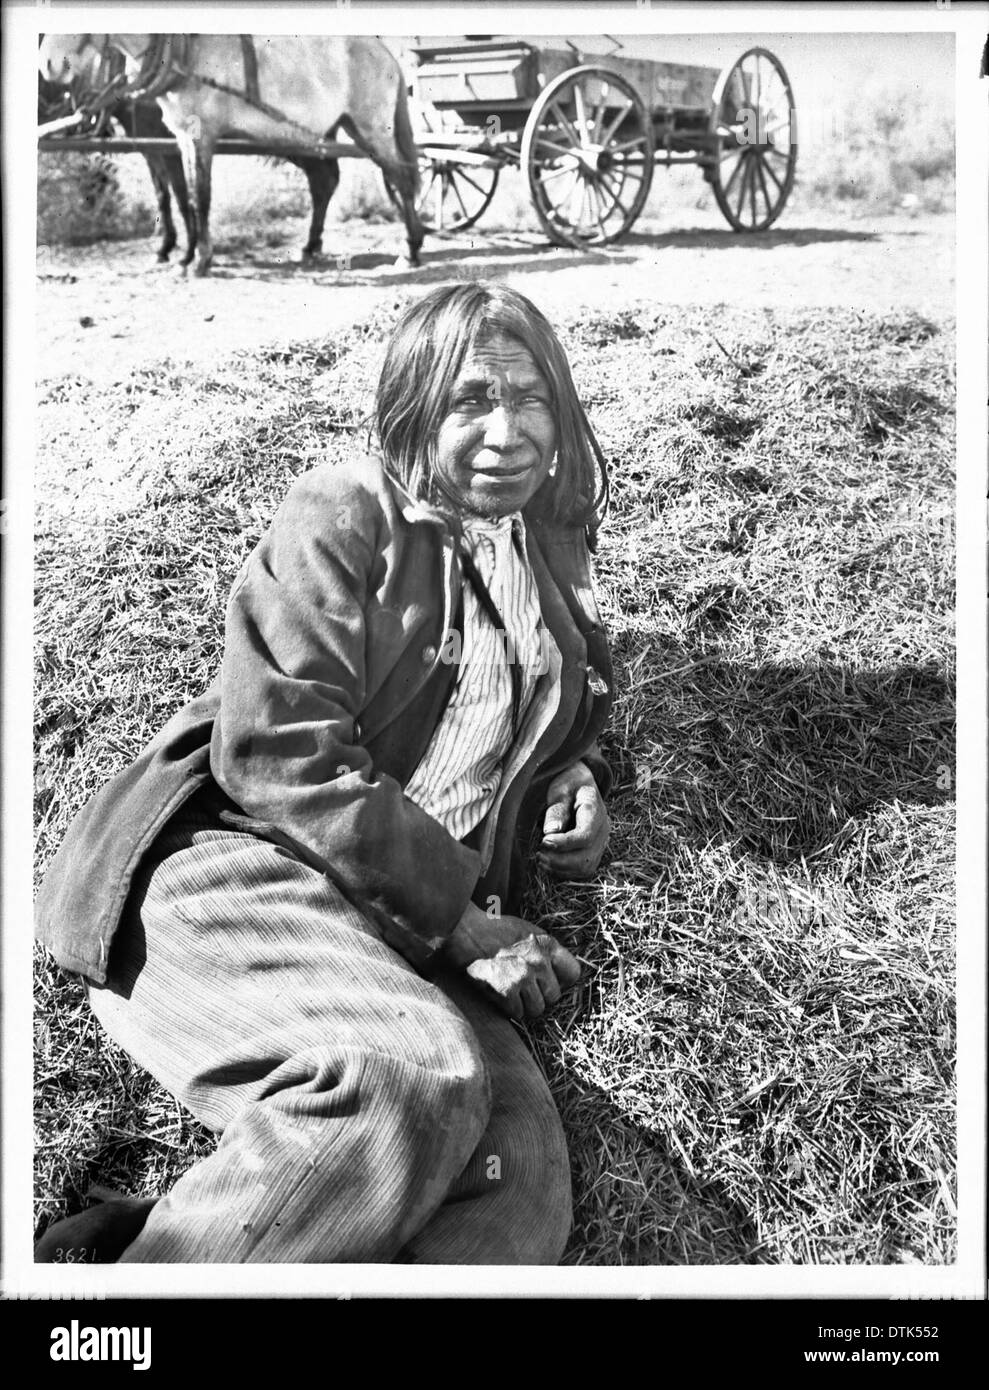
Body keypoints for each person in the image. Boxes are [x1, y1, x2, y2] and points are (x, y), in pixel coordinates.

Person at [35, 280, 614, 1265]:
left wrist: (576, 769)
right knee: (400, 1076)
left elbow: (566, 688)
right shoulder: (345, 515)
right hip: (239, 869)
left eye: (530, 399)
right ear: (414, 406)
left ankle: (157, 1241)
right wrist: (466, 921)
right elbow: (275, 752)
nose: (506, 431)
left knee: (509, 1195)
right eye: (472, 399)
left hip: (394, 926)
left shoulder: (545, 543)